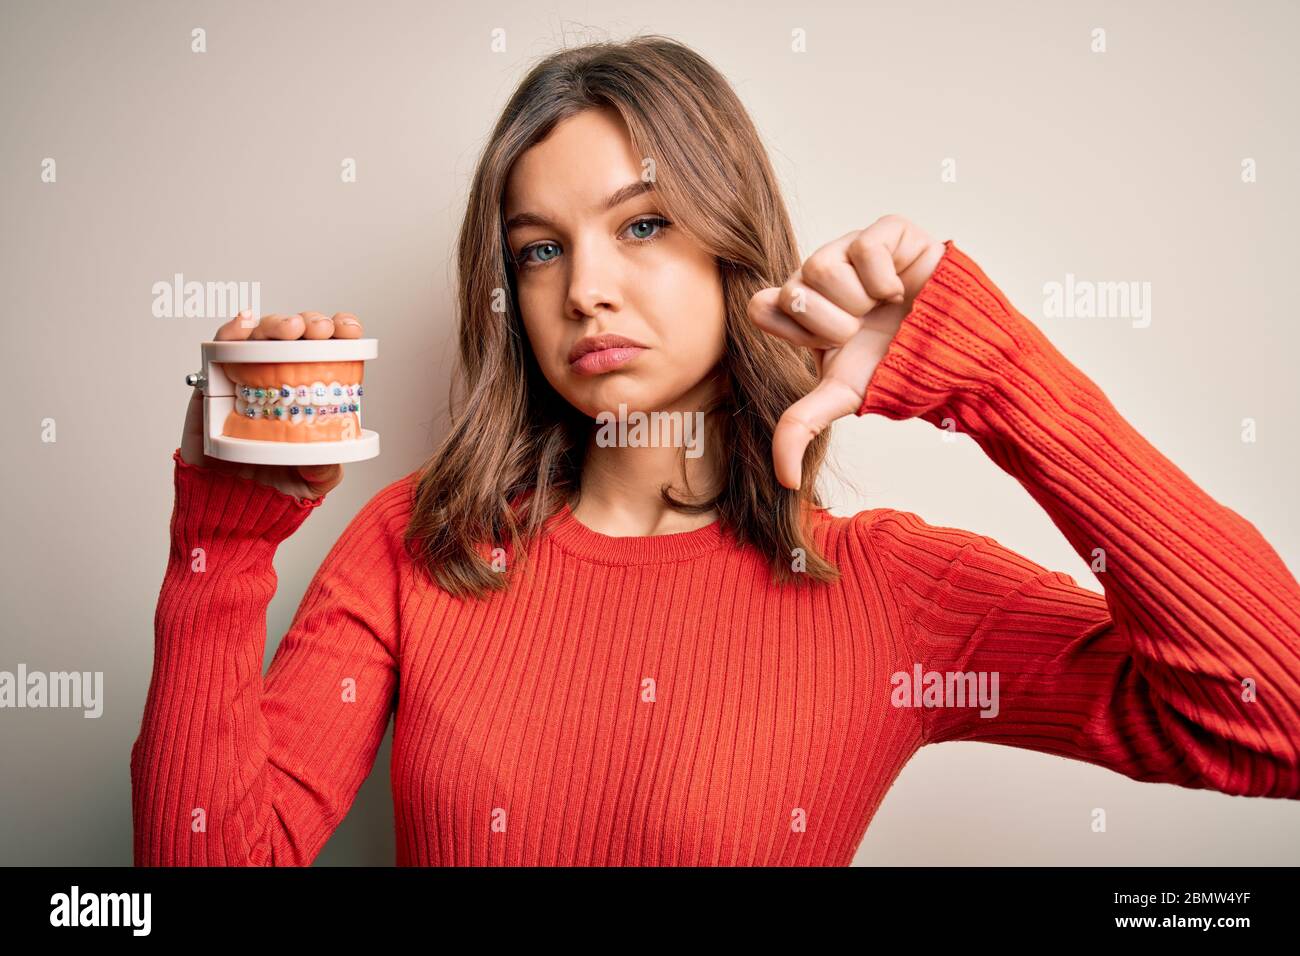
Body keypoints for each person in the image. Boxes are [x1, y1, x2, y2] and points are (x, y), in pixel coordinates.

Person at [131, 35, 1300, 867]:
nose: (586, 288)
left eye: (643, 225)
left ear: (733, 247)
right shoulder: (419, 548)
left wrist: (996, 378)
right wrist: (221, 540)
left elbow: (1270, 722)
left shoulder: (884, 591)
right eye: (539, 250)